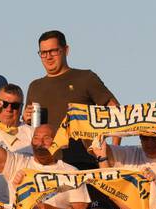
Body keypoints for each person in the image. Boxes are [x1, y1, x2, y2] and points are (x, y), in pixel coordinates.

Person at [24, 29, 118, 171]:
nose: (48, 57)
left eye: (53, 51)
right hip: (48, 165)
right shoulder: (35, 86)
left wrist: (113, 151)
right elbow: (30, 129)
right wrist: (25, 119)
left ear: (65, 50)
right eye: (43, 53)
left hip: (85, 162)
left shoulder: (85, 78)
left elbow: (115, 110)